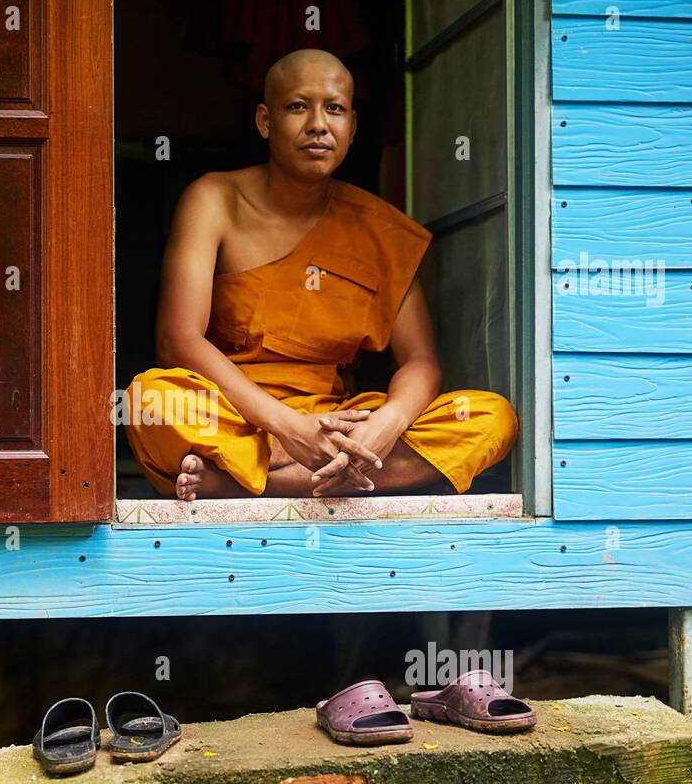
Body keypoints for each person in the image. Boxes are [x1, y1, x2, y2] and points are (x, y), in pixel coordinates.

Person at [124, 49, 518, 501]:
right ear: (265, 121)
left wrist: (385, 426)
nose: (317, 124)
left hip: (337, 421)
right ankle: (330, 475)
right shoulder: (214, 200)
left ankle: (245, 483)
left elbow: (420, 362)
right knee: (150, 399)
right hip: (236, 416)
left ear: (352, 126)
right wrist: (288, 426)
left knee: (490, 417)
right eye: (297, 106)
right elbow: (178, 339)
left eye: (333, 108)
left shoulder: (377, 228)